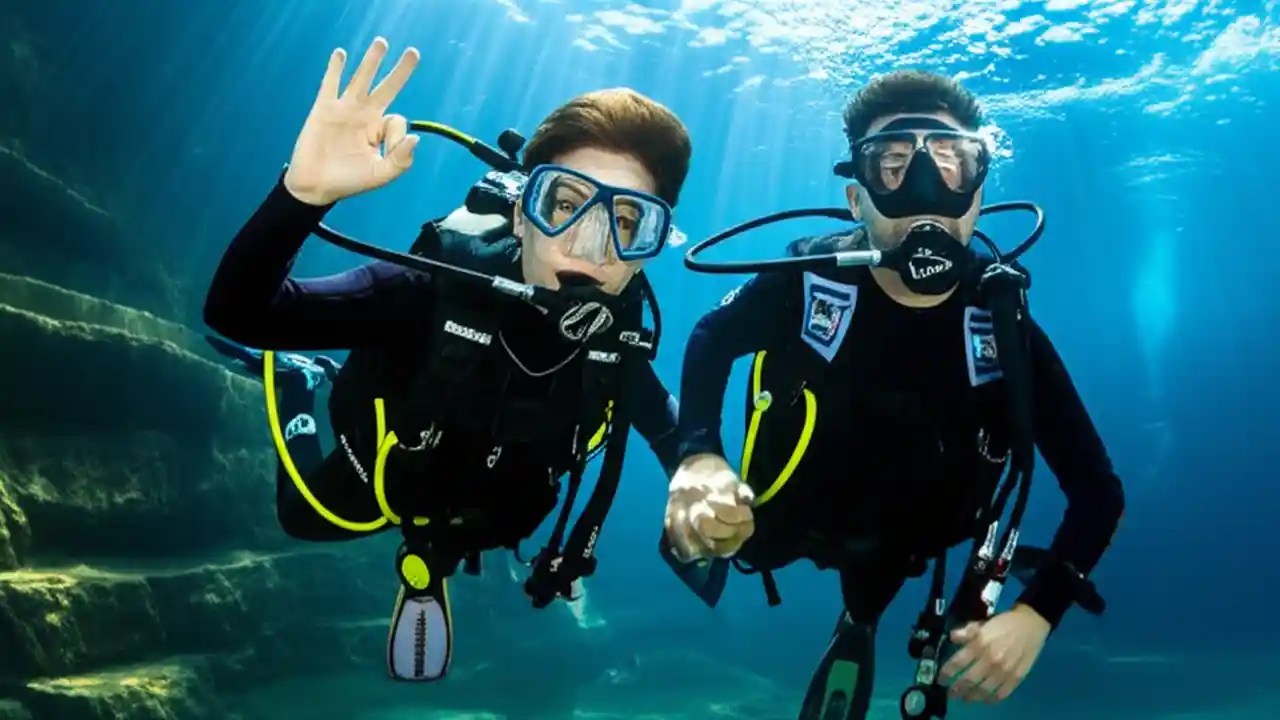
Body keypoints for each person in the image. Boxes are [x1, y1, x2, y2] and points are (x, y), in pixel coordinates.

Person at [203, 37, 689, 683]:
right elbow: (240, 313)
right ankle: (299, 385)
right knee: (304, 518)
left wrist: (703, 469)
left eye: (629, 220)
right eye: (565, 204)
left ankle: (438, 553)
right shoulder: (427, 290)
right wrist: (303, 195)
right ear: (521, 215)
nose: (591, 243)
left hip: (496, 511)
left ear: (650, 247)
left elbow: (669, 425)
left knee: (485, 528)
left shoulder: (614, 347)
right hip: (385, 476)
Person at [661, 70, 1124, 719]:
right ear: (857, 199)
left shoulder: (1001, 324)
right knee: (745, 544)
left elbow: (1098, 490)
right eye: (895, 165)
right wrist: (699, 457)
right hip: (788, 513)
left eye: (952, 165)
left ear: (979, 194)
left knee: (874, 585)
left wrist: (1035, 615)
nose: (927, 195)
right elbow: (711, 337)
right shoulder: (807, 283)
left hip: (909, 538)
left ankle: (859, 622)